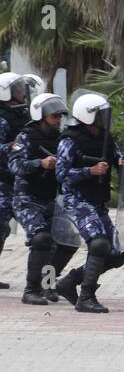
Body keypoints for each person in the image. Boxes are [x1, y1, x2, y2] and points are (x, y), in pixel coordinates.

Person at [53, 93, 124, 312]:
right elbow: (61, 173)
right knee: (99, 244)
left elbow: (117, 158)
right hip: (77, 200)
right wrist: (90, 171)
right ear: (87, 116)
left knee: (116, 255)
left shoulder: (106, 137)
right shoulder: (70, 139)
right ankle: (87, 297)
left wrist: (123, 163)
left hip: (97, 200)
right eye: (100, 114)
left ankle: (69, 282)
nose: (105, 118)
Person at [8, 91, 74, 305]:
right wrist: (40, 163)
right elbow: (14, 165)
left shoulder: (62, 138)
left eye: (60, 116)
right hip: (26, 198)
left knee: (68, 240)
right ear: (41, 115)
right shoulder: (24, 136)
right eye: (54, 116)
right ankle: (31, 290)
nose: (58, 120)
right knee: (41, 239)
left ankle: (47, 285)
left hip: (49, 198)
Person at [0, 73, 40, 290]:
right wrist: (17, 146)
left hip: (22, 180)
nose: (21, 94)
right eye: (16, 90)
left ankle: (43, 281)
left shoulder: (22, 115)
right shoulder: (2, 118)